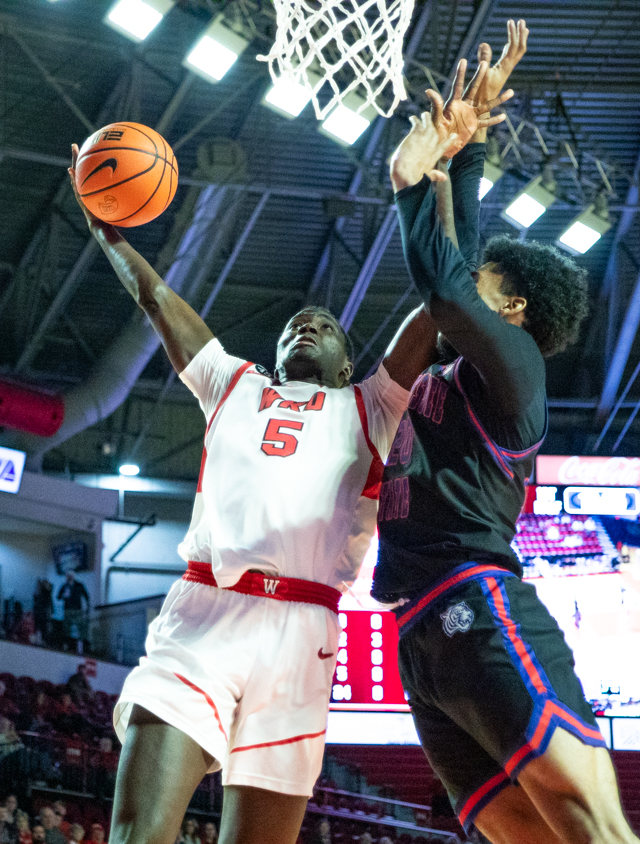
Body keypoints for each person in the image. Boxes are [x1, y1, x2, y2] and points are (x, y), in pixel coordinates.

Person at [66, 91, 488, 843]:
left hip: (302, 635)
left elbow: (440, 302)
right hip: (203, 613)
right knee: (137, 834)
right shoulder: (233, 382)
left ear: (347, 359)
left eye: (323, 325)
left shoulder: (374, 404)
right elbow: (160, 300)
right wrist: (109, 234)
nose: (307, 325)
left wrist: (449, 178)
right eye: (296, 323)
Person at [372, 19, 640, 844]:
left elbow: (450, 288)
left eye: (485, 282)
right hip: (419, 634)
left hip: (477, 604)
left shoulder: (517, 364)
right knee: (521, 837)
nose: (462, 281)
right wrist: (465, 152)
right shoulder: (471, 366)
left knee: (590, 826)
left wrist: (412, 182)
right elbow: (463, 264)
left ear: (513, 310)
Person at [56, 571, 90, 654]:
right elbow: (58, 597)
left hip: (77, 610)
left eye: (70, 576)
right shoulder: (64, 586)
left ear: (73, 576)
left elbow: (86, 596)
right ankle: (67, 645)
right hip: (67, 609)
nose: (68, 577)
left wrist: (88, 608)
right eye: (67, 576)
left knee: (80, 628)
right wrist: (64, 595)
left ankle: (80, 647)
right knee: (66, 629)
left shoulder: (79, 585)